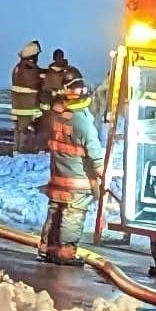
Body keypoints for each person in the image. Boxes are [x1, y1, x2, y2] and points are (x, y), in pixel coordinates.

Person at [38, 77, 104, 266]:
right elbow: (95, 155)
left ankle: (47, 249)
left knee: (55, 213)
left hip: (58, 177)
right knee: (72, 216)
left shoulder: (58, 118)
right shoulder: (83, 123)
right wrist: (103, 173)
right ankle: (65, 253)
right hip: (77, 182)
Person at [38, 48, 82, 148]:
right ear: (54, 58)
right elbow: (44, 91)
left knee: (66, 128)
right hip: (53, 107)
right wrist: (48, 105)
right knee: (52, 128)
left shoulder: (71, 71)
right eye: (57, 57)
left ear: (63, 57)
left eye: (60, 57)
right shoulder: (50, 73)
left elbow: (77, 87)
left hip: (67, 106)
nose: (59, 59)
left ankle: (65, 143)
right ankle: (49, 145)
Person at [10, 40, 44, 155]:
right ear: (33, 56)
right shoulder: (31, 70)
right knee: (26, 132)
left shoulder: (17, 68)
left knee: (18, 132)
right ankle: (23, 154)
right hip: (27, 108)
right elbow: (38, 83)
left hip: (17, 107)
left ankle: (16, 153)